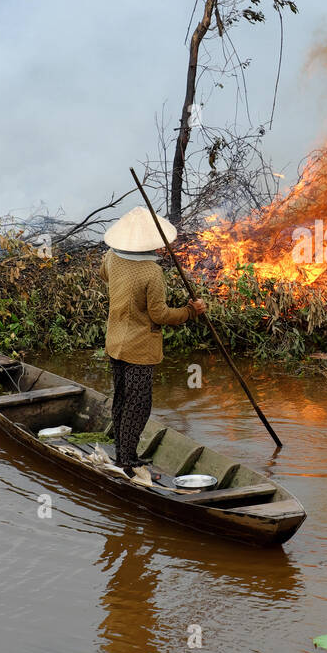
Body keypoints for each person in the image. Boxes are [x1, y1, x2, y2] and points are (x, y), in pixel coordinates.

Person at [100, 205, 205, 481]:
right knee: (139, 404)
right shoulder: (151, 273)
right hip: (139, 349)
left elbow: (105, 276)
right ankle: (128, 461)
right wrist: (190, 312)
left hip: (115, 342)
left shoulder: (111, 257)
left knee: (121, 399)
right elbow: (160, 314)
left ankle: (122, 454)